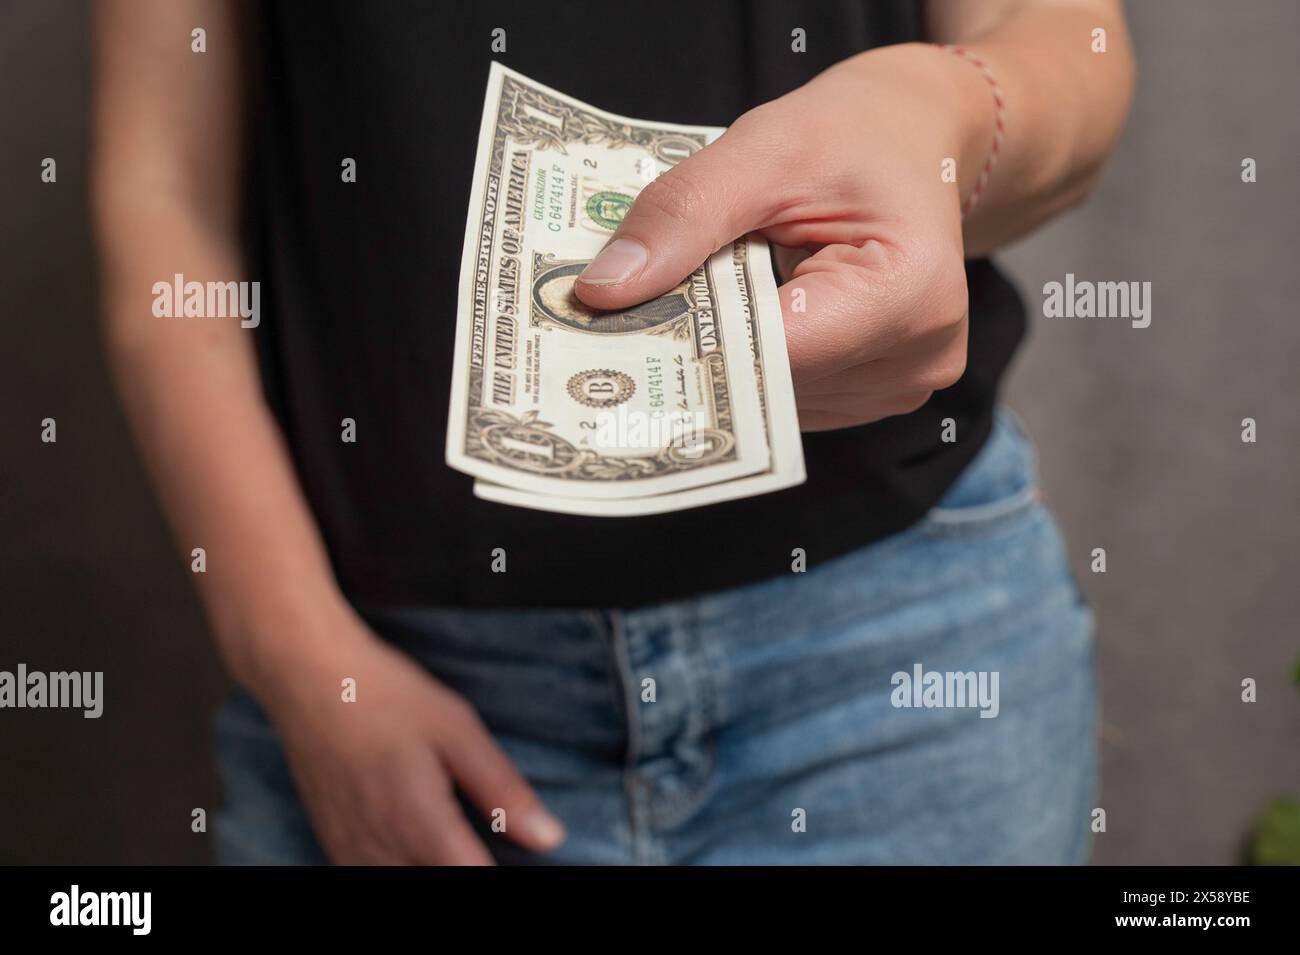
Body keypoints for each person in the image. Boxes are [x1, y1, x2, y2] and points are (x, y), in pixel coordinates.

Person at [91, 0, 1135, 864]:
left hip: (891, 658)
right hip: (399, 677)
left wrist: (938, 114)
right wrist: (304, 664)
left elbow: (1065, 54)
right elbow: (164, 204)